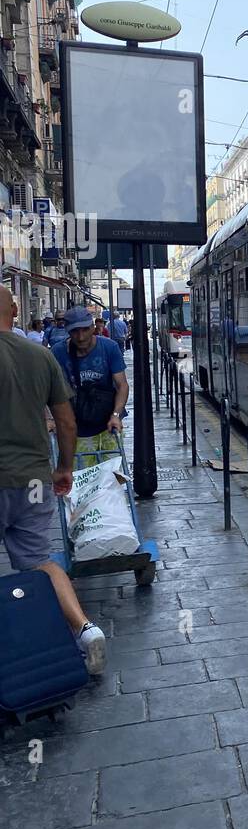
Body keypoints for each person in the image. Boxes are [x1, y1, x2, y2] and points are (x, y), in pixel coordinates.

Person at [0, 287, 107, 674]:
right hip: (33, 478)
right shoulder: (41, 356)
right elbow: (66, 421)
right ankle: (86, 629)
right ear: (15, 310)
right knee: (39, 561)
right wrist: (64, 468)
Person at [52, 307, 129, 469]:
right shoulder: (58, 352)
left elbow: (122, 385)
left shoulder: (109, 347)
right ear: (67, 331)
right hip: (76, 427)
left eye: (85, 330)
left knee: (113, 478)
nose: (81, 337)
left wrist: (116, 414)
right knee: (82, 482)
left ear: (94, 327)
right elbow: (48, 389)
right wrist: (50, 419)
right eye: (75, 331)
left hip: (108, 423)